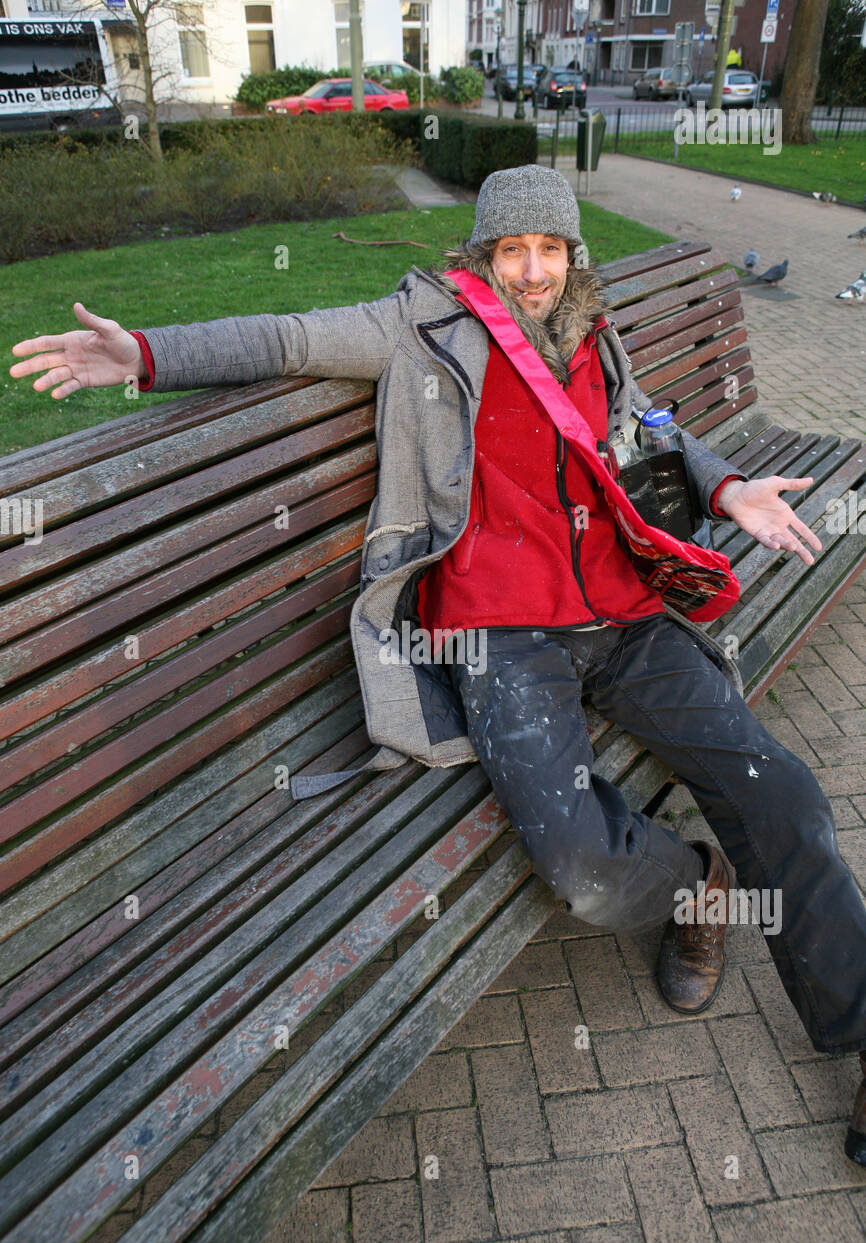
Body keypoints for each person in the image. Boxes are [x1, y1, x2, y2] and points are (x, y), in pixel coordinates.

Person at [10, 164, 866, 1166]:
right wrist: (146, 354)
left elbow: (650, 431)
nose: (533, 270)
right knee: (583, 869)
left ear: (570, 255)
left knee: (785, 793)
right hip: (497, 634)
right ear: (482, 255)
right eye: (513, 250)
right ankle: (694, 887)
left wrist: (721, 492)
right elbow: (287, 336)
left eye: (549, 248)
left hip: (619, 611)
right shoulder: (416, 327)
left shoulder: (595, 331)